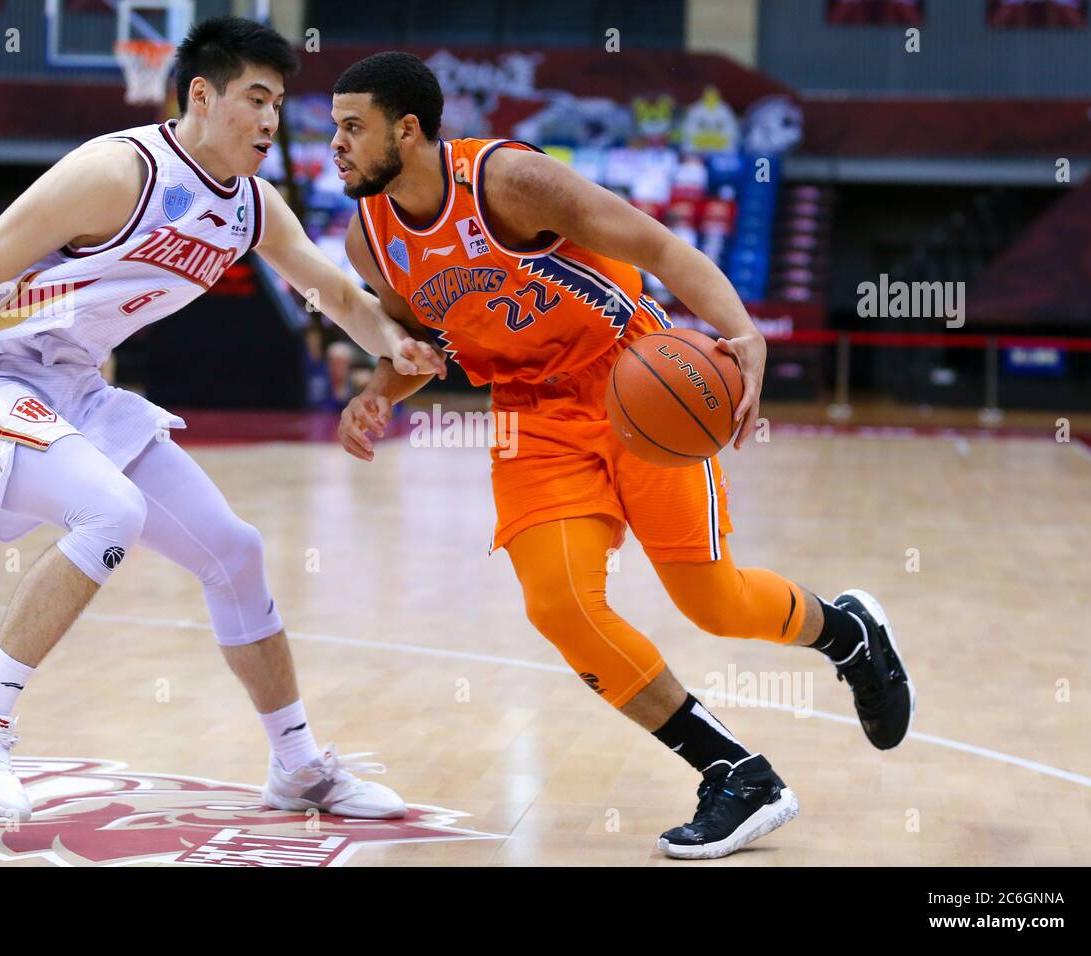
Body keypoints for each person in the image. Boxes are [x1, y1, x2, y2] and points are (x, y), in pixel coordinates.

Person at [0, 19, 444, 824]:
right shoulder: (115, 171)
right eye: (256, 99)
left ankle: (299, 769)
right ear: (202, 95)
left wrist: (397, 344)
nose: (272, 121)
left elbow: (334, 294)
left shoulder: (253, 208)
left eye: (279, 103)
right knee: (111, 512)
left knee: (235, 552)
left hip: (74, 385)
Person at [330, 53, 913, 860]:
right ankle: (736, 774)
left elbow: (660, 248)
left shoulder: (509, 182)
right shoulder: (370, 242)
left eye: (351, 126)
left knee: (712, 602)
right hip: (529, 416)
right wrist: (377, 394)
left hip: (631, 382)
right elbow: (415, 344)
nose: (336, 144)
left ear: (407, 130)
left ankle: (846, 633)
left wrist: (742, 335)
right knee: (559, 604)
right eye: (334, 127)